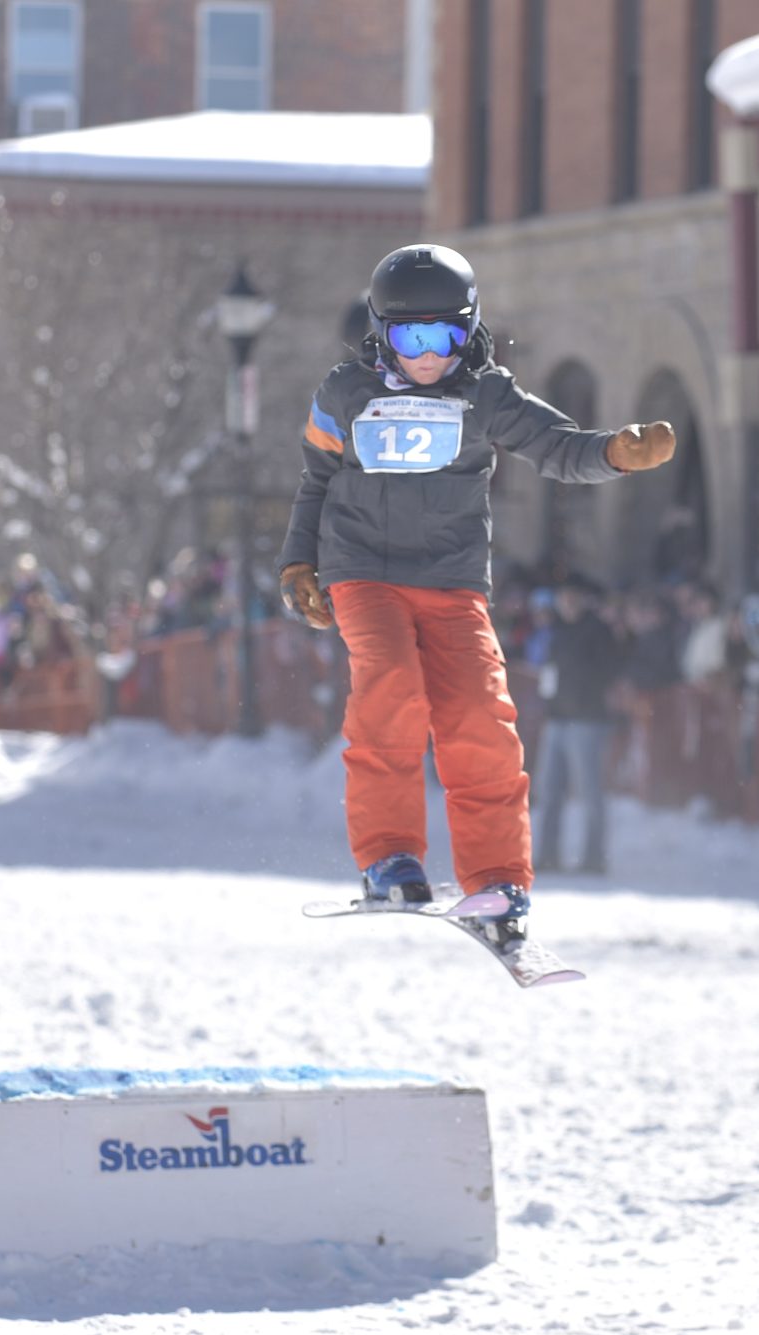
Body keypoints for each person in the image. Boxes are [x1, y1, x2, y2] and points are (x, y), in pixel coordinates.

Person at [276, 243, 676, 949]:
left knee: (479, 716)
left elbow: (557, 446)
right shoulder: (344, 393)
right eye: (410, 339)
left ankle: (497, 879)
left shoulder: (484, 394)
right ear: (381, 332)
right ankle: (389, 857)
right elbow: (316, 480)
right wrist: (297, 566)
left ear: (470, 329)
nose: (428, 356)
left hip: (451, 578)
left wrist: (616, 452)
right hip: (361, 569)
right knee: (393, 685)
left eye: (446, 337)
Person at [532, 577, 623, 875]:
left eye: (573, 596)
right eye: (563, 596)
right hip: (558, 718)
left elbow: (611, 670)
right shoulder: (557, 630)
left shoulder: (598, 629)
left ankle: (594, 857)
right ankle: (547, 855)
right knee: (549, 789)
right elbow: (549, 669)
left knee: (590, 790)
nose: (567, 602)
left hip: (588, 719)